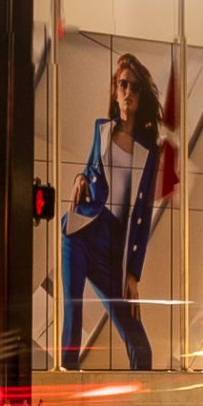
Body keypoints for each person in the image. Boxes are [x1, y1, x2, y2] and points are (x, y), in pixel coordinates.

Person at [63, 53, 163, 370]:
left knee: (138, 342)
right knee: (72, 315)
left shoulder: (150, 150)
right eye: (123, 84)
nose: (128, 91)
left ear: (140, 94)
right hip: (80, 232)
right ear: (115, 89)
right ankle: (65, 388)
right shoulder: (101, 131)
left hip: (113, 249)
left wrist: (133, 273)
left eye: (134, 86)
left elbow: (143, 216)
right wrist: (79, 178)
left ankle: (141, 404)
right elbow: (89, 170)